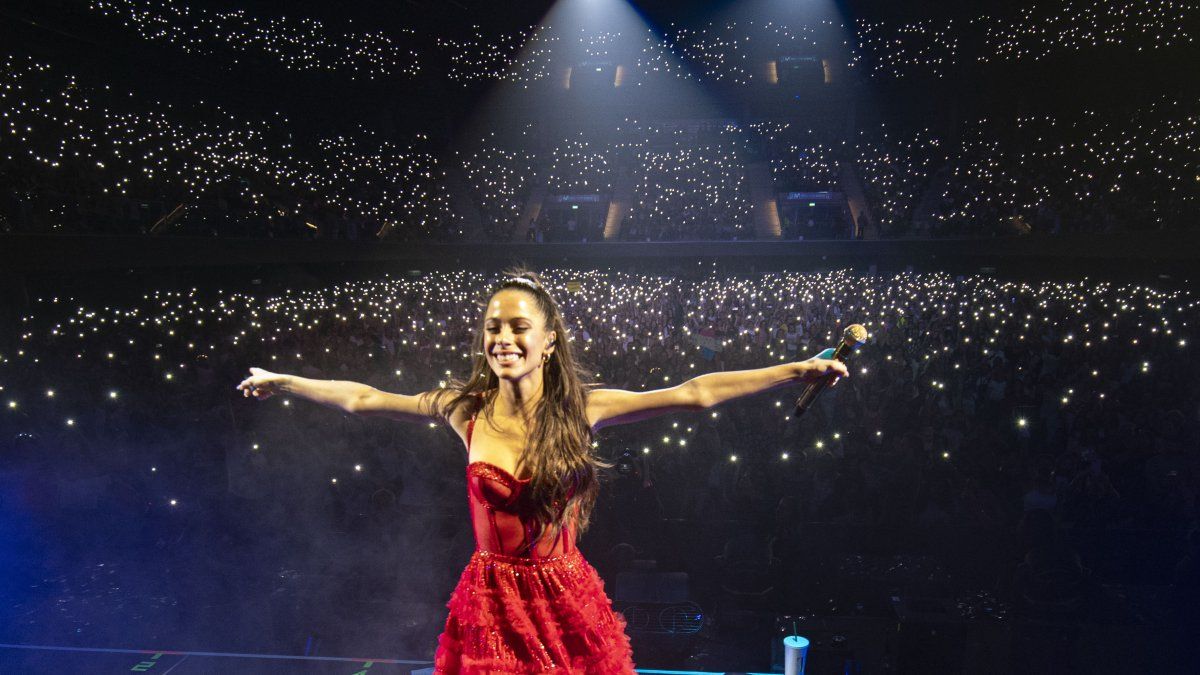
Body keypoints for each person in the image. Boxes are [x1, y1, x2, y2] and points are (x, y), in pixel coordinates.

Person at [236, 266, 848, 673]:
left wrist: (796, 370)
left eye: (518, 327)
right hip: (492, 598)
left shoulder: (584, 409)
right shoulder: (464, 410)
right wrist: (286, 381)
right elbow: (364, 398)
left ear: (549, 340)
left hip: (564, 595)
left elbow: (695, 392)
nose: (502, 337)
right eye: (492, 327)